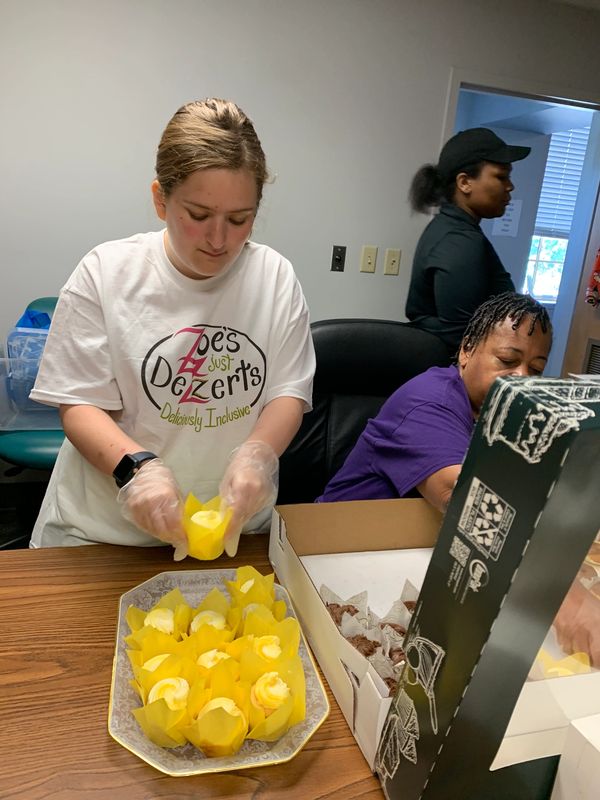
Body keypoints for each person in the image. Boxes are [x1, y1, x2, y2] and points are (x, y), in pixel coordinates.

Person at [29, 98, 315, 559]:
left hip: (230, 531)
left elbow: (288, 391)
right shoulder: (106, 272)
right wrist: (137, 468)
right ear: (160, 199)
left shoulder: (274, 277)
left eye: (239, 219)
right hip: (105, 537)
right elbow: (79, 403)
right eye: (198, 215)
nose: (219, 240)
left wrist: (258, 453)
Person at [319, 292, 551, 512]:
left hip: (411, 540)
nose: (523, 378)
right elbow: (464, 498)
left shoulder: (497, 412)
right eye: (507, 360)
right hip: (339, 541)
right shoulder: (430, 402)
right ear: (466, 350)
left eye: (536, 369)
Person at [405, 127, 531, 356]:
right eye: (501, 177)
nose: (510, 186)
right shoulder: (459, 242)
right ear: (464, 183)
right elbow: (464, 340)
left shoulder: (451, 229)